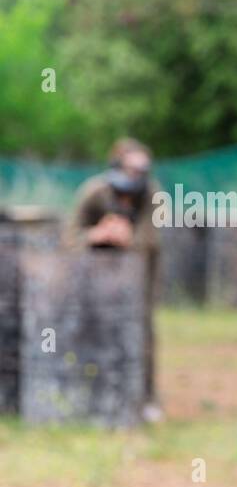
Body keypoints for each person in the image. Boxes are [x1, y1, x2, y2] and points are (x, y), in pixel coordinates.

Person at [64, 137, 164, 423]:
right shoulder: (95, 193)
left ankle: (146, 398)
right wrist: (95, 235)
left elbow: (150, 241)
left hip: (139, 274)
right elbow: (69, 238)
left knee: (142, 330)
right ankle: (91, 391)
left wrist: (125, 237)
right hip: (93, 276)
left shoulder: (153, 196)